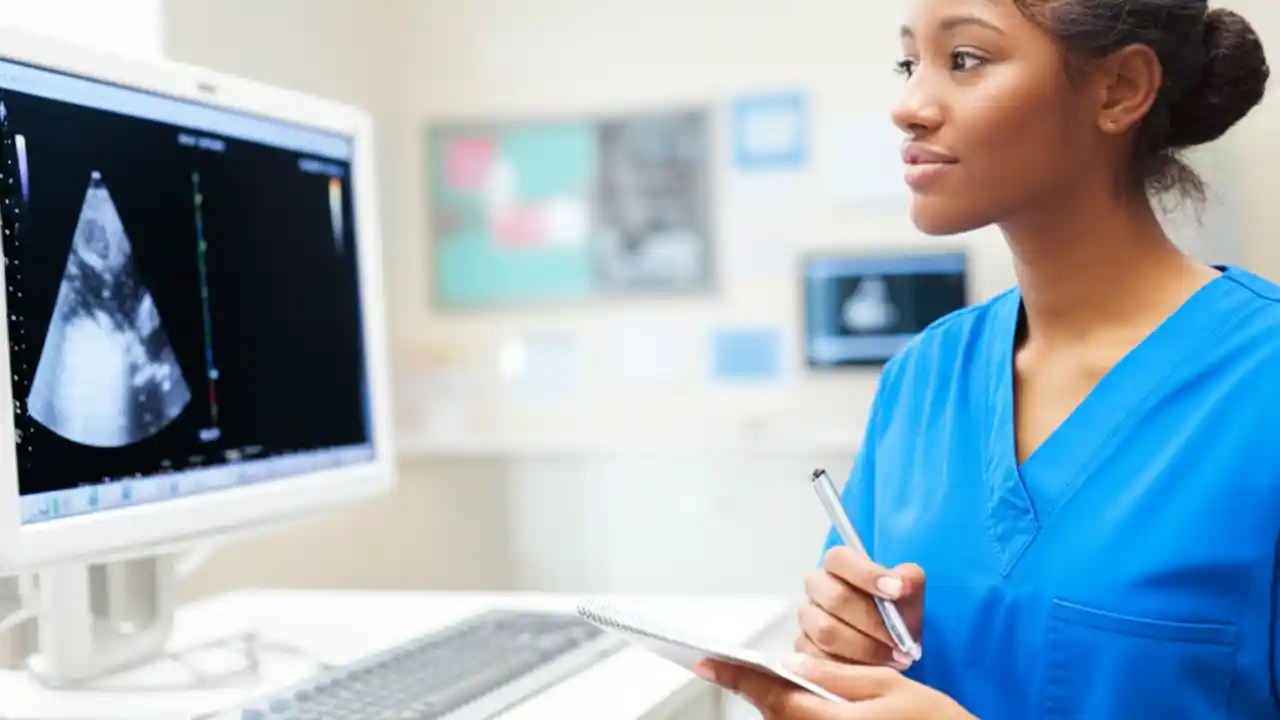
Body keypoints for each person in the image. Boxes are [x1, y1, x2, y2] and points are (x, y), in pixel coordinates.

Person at [697, 0, 1276, 717]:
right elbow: (854, 659)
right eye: (910, 64)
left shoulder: (1261, 386)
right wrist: (842, 646)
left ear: (1120, 88)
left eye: (965, 59)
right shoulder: (925, 377)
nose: (909, 106)